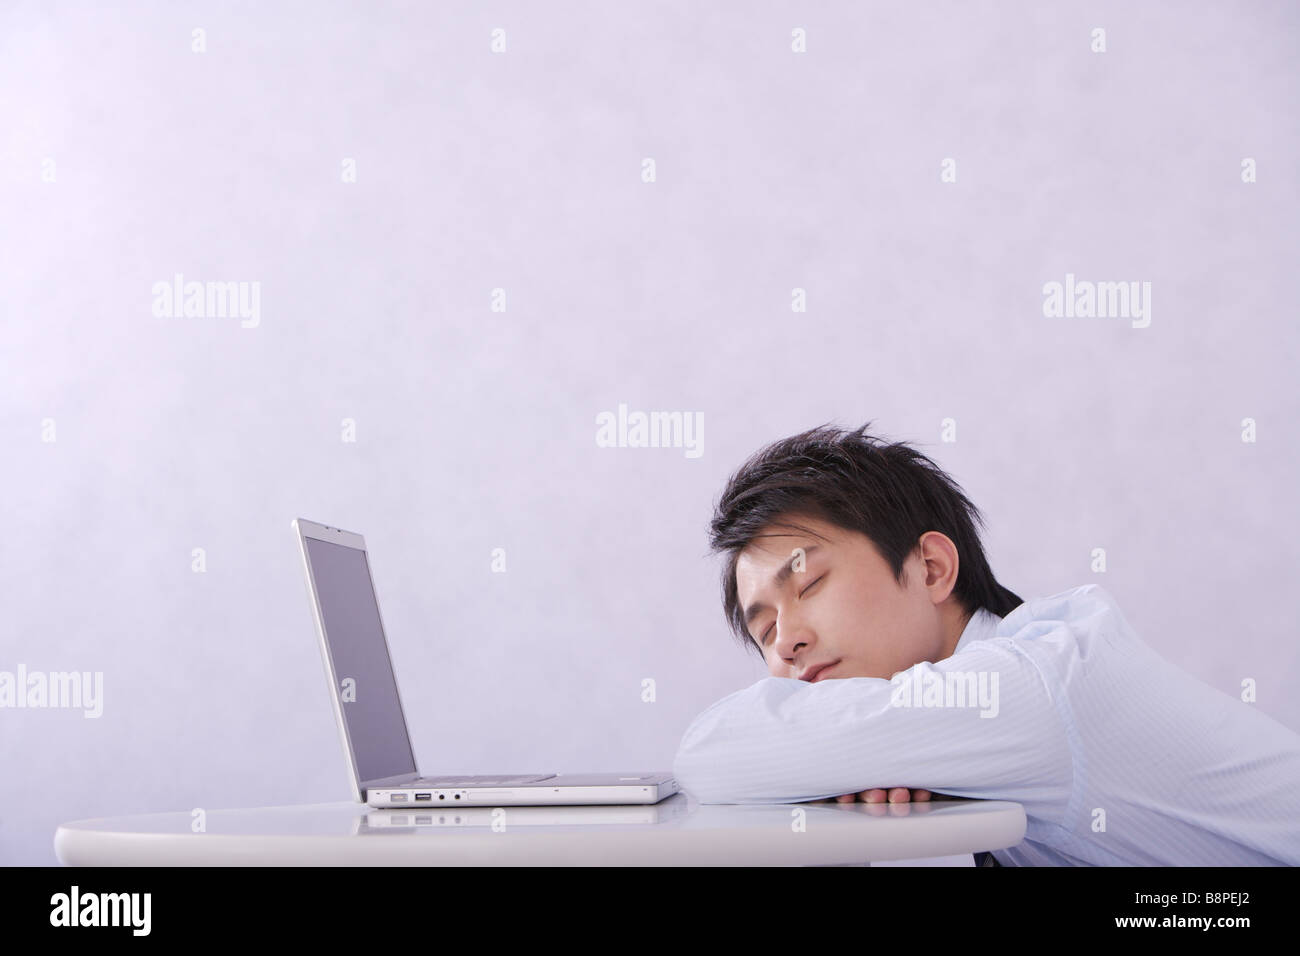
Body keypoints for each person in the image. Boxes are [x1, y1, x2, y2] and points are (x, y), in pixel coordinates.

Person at [672, 421, 1300, 865]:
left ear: (932, 569)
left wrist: (847, 746)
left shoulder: (1031, 684)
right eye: (765, 630)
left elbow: (708, 752)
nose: (787, 644)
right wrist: (859, 755)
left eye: (809, 584)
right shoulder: (971, 701)